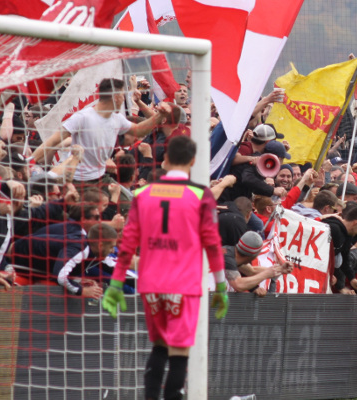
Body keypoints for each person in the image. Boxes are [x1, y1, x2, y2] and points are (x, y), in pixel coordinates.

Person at [101, 135, 228, 400]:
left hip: (151, 283)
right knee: (180, 350)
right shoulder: (200, 194)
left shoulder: (142, 194)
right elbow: (213, 245)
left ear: (166, 159)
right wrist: (220, 286)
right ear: (193, 162)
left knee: (159, 346)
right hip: (184, 284)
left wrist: (115, 283)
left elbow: (127, 243)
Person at [33, 78, 167, 188]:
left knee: (128, 202)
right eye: (122, 95)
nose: (123, 99)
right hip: (78, 179)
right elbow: (52, 141)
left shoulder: (117, 118)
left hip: (101, 177)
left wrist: (160, 116)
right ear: (115, 97)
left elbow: (139, 130)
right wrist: (30, 162)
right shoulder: (83, 117)